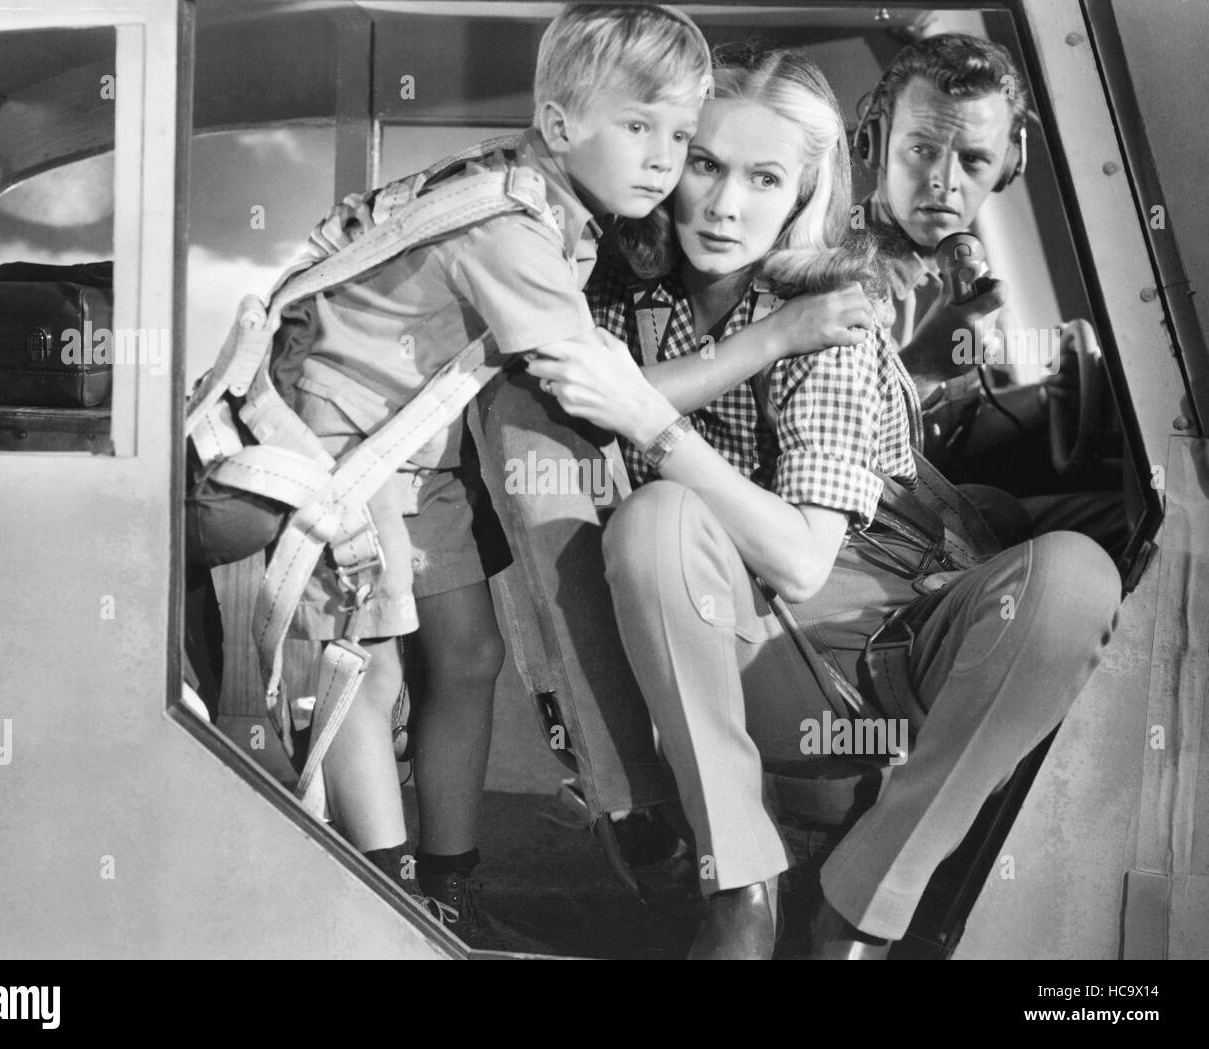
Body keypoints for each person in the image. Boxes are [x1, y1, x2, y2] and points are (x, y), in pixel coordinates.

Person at [534, 46, 1122, 959]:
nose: (726, 206)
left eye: (764, 177)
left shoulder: (832, 318)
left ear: (805, 190)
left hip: (866, 652)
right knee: (655, 523)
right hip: (712, 646)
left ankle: (862, 908)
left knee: (1079, 577)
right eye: (704, 165)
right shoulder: (607, 288)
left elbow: (806, 561)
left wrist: (654, 424)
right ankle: (741, 887)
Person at [271, 2, 712, 945]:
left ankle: (448, 881)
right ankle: (387, 901)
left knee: (468, 658)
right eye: (638, 126)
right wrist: (778, 339)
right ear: (559, 126)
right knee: (370, 664)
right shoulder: (510, 225)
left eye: (680, 133)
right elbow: (602, 389)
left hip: (412, 458)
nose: (664, 156)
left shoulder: (545, 206)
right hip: (346, 453)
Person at [855, 32, 1126, 554]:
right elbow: (824, 446)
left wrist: (1048, 398)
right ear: (876, 142)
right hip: (882, 541)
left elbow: (945, 432)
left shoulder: (946, 268)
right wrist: (924, 367)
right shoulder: (839, 269)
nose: (944, 180)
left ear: (1007, 167)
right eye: (921, 149)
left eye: (975, 160)